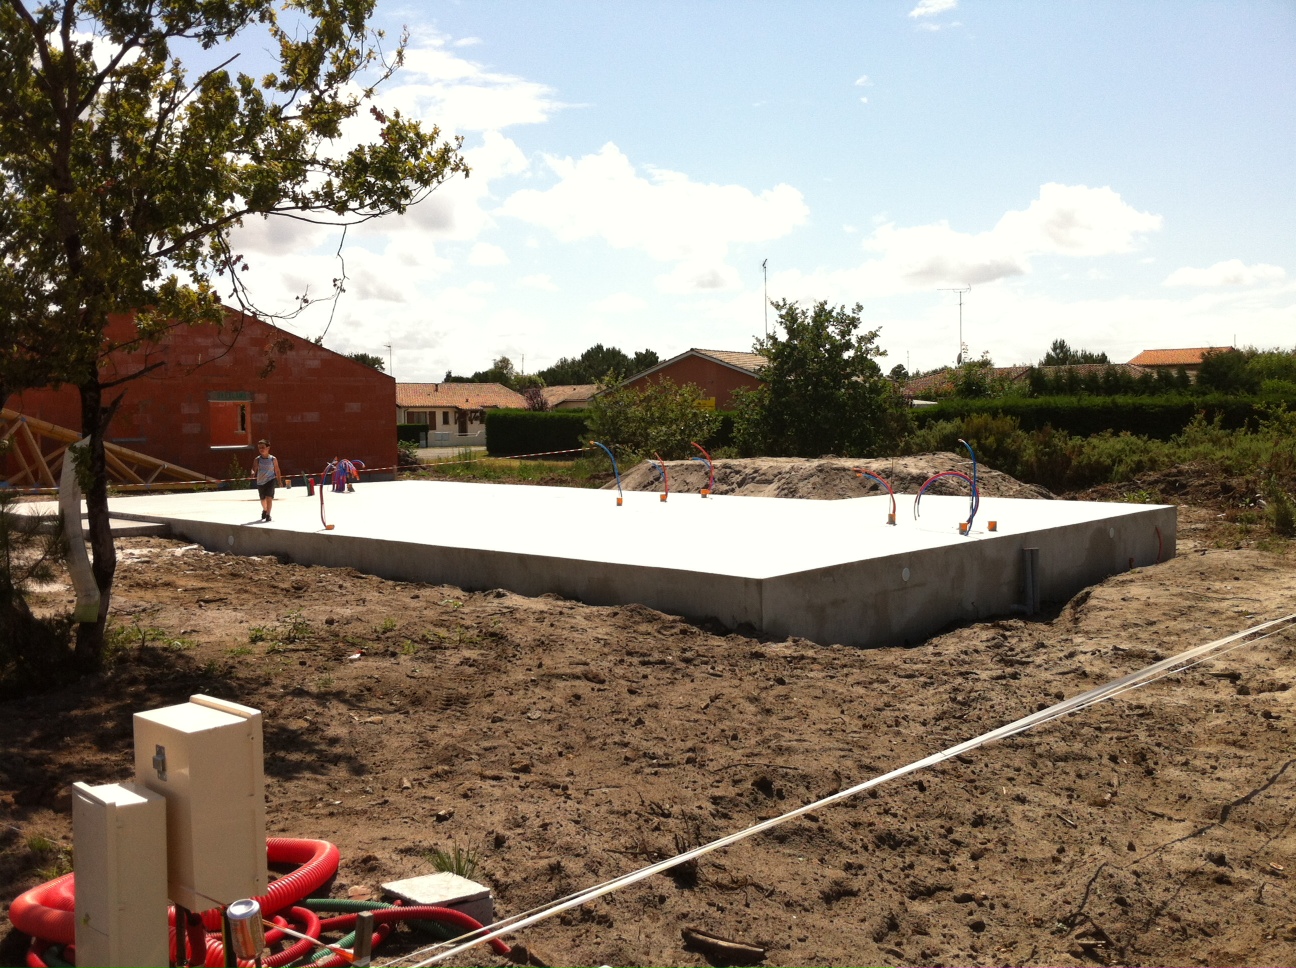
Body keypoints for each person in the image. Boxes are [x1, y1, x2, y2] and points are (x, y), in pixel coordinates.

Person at [253, 439, 282, 522]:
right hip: (260, 481)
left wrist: (279, 481)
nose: (261, 449)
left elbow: (277, 470)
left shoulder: (273, 459)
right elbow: (254, 468)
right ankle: (265, 510)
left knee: (269, 497)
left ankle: (268, 514)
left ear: (268, 448)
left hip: (270, 480)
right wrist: (252, 473)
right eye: (259, 448)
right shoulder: (257, 459)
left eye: (263, 447)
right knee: (262, 499)